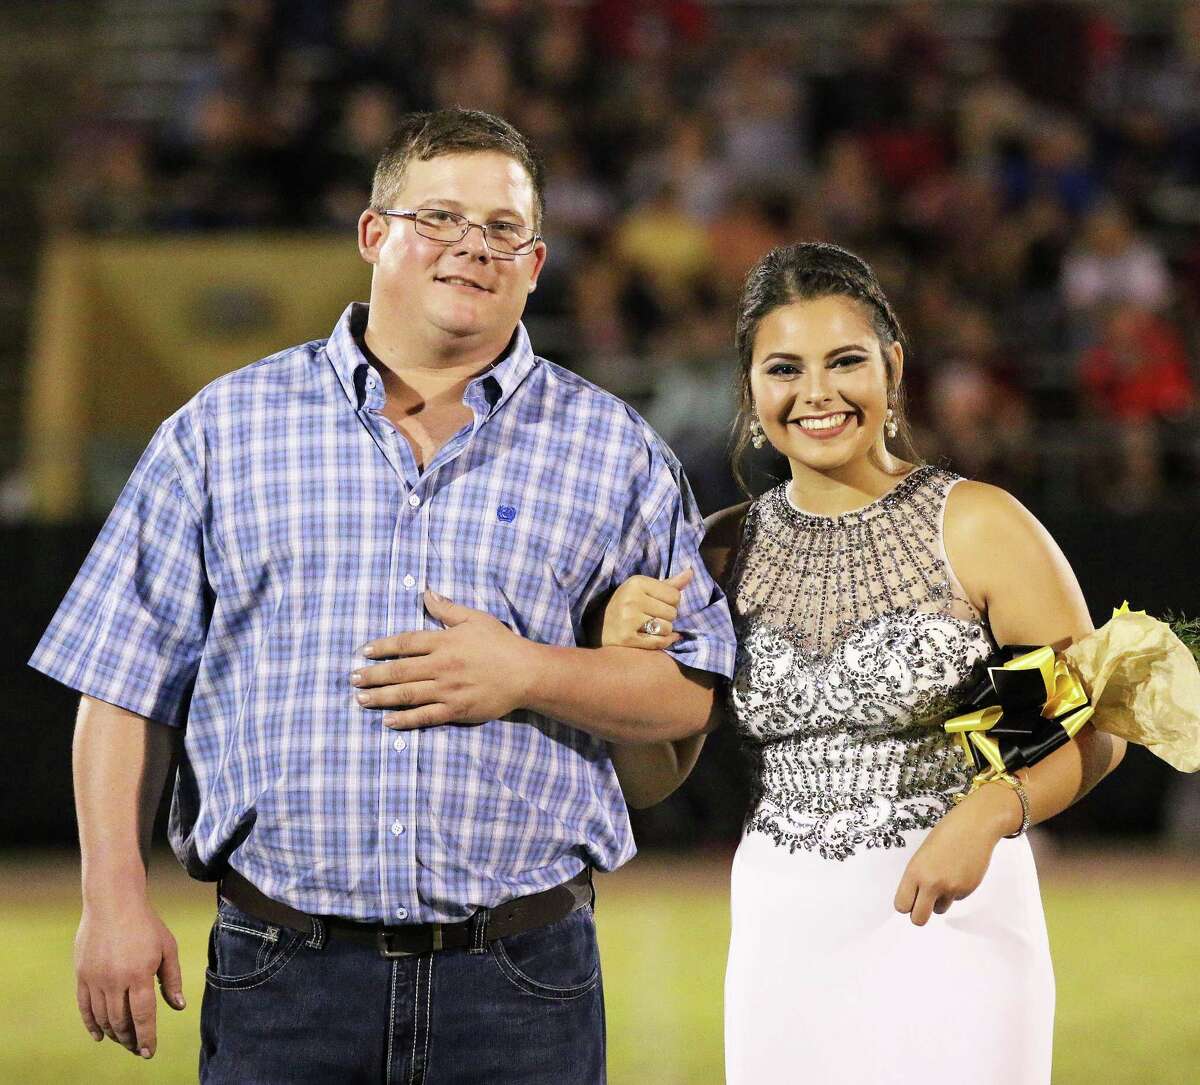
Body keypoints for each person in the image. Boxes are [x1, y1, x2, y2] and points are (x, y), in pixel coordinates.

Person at [30, 109, 736, 1084]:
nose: (472, 249)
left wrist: (525, 670)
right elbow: (119, 681)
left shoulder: (615, 450)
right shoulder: (222, 431)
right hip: (284, 977)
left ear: (535, 264)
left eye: (502, 230)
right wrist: (112, 895)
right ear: (374, 233)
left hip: (522, 979)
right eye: (440, 217)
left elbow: (690, 689)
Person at [589, 242, 1127, 1083]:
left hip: (958, 919)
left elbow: (1091, 731)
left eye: (845, 361)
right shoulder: (719, 550)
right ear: (750, 388)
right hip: (784, 927)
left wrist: (992, 812)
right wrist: (616, 661)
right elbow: (656, 777)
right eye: (785, 368)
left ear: (893, 367)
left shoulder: (979, 528)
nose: (817, 393)